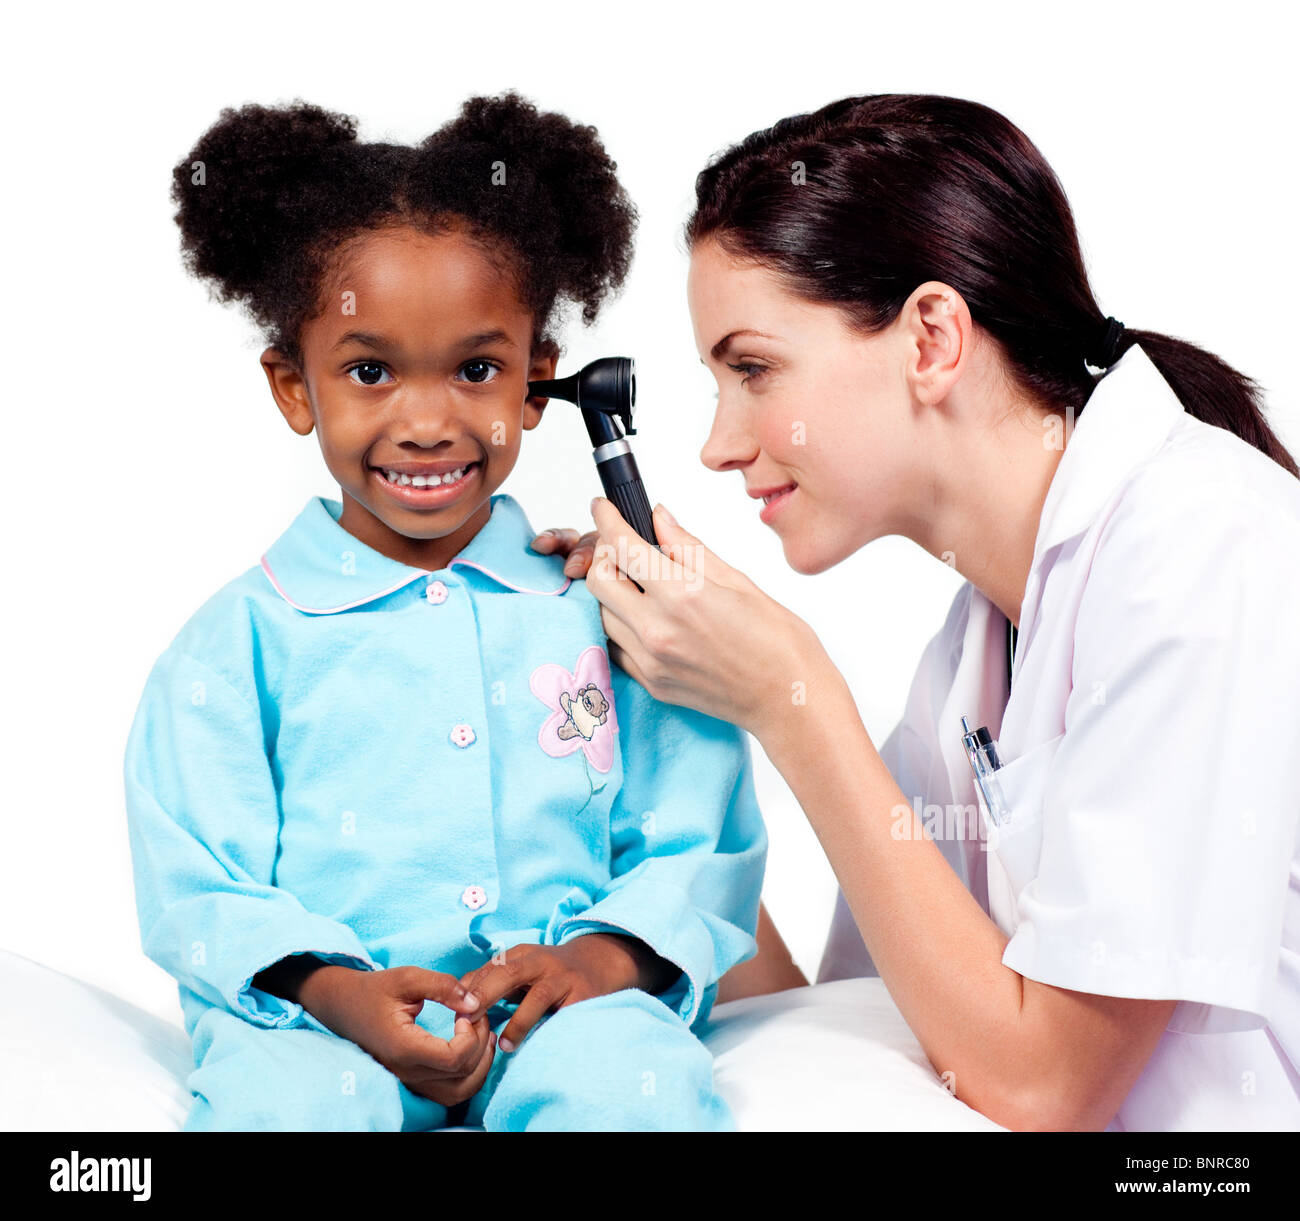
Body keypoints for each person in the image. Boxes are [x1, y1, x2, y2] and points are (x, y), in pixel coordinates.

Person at [534, 93, 1300, 1131]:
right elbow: (871, 1030)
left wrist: (790, 697)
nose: (719, 443)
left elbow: (1042, 1084)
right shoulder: (977, 645)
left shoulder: (1206, 544)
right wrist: (680, 739)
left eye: (752, 370)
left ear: (931, 336)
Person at [122, 92, 766, 1132]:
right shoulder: (236, 646)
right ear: (295, 388)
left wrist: (593, 962)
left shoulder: (604, 611)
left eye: (475, 369)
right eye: (369, 371)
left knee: (625, 1090)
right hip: (320, 1028)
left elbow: (698, 834)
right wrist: (334, 993)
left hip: (564, 1013)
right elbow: (197, 880)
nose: (427, 422)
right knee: (286, 1109)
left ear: (534, 382)